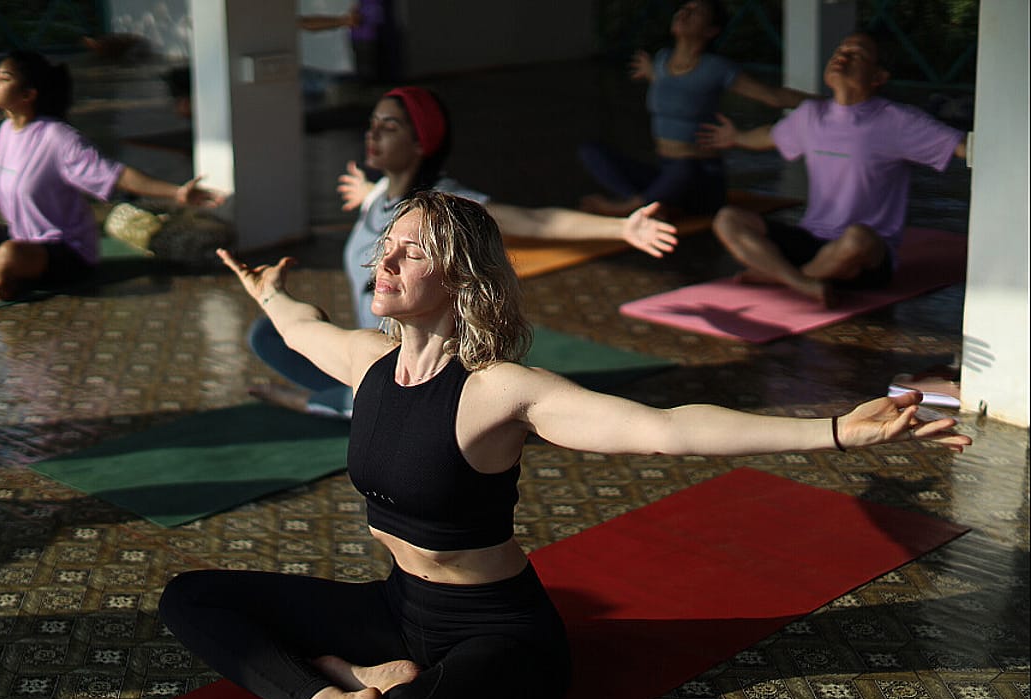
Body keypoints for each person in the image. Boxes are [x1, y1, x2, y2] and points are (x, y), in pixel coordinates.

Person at [157, 190, 971, 699]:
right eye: (387, 246)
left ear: (459, 276)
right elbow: (301, 327)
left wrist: (835, 431)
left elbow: (666, 429)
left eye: (411, 250)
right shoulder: (369, 361)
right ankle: (337, 696)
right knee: (190, 597)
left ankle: (368, 683)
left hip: (497, 631)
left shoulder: (497, 390)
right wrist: (269, 291)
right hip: (398, 607)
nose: (386, 260)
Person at [248, 85, 679, 417]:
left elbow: (535, 221)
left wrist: (622, 227)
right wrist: (367, 193)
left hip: (421, 362)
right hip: (372, 351)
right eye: (373, 123)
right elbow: (385, 203)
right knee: (267, 333)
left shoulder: (446, 208)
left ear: (421, 143)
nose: (372, 133)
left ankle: (325, 403)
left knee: (369, 390)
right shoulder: (380, 195)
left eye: (389, 126)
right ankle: (350, 397)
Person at [0, 51, 224, 301]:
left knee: (7, 257)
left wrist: (176, 192)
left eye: (3, 79)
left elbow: (116, 175)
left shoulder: (58, 138)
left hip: (68, 251)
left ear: (28, 95)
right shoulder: (5, 131)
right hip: (22, 237)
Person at [699, 32, 968, 306]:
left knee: (857, 238)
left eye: (856, 54)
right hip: (811, 239)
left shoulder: (899, 121)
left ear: (878, 76)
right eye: (840, 51)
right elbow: (770, 135)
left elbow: (959, 145)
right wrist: (736, 137)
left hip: (866, 257)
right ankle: (802, 282)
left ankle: (780, 276)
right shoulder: (811, 114)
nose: (842, 56)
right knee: (727, 219)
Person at [578, 0, 812, 219]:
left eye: (696, 12)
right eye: (684, 8)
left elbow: (773, 97)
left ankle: (634, 206)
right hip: (666, 172)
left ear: (710, 31)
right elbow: (677, 92)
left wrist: (826, 102)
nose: (684, 13)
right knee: (591, 151)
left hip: (701, 179)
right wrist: (653, 74)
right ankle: (651, 203)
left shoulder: (717, 68)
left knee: (685, 167)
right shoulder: (661, 60)